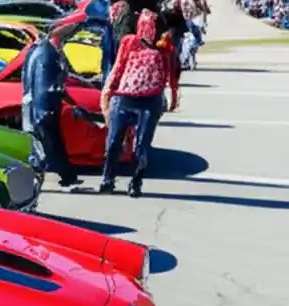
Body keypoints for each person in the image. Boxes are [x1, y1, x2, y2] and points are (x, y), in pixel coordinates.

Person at [99, 10, 180, 197]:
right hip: (124, 98)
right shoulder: (130, 42)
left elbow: (171, 75)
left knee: (141, 146)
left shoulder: (165, 48)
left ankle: (136, 182)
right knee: (113, 143)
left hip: (150, 101)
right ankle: (108, 180)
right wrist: (107, 94)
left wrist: (174, 96)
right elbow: (118, 67)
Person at [20, 18, 85, 189]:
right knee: (47, 146)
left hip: (37, 105)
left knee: (48, 145)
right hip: (44, 108)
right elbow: (47, 85)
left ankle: (67, 176)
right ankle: (60, 177)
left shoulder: (39, 50)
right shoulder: (47, 55)